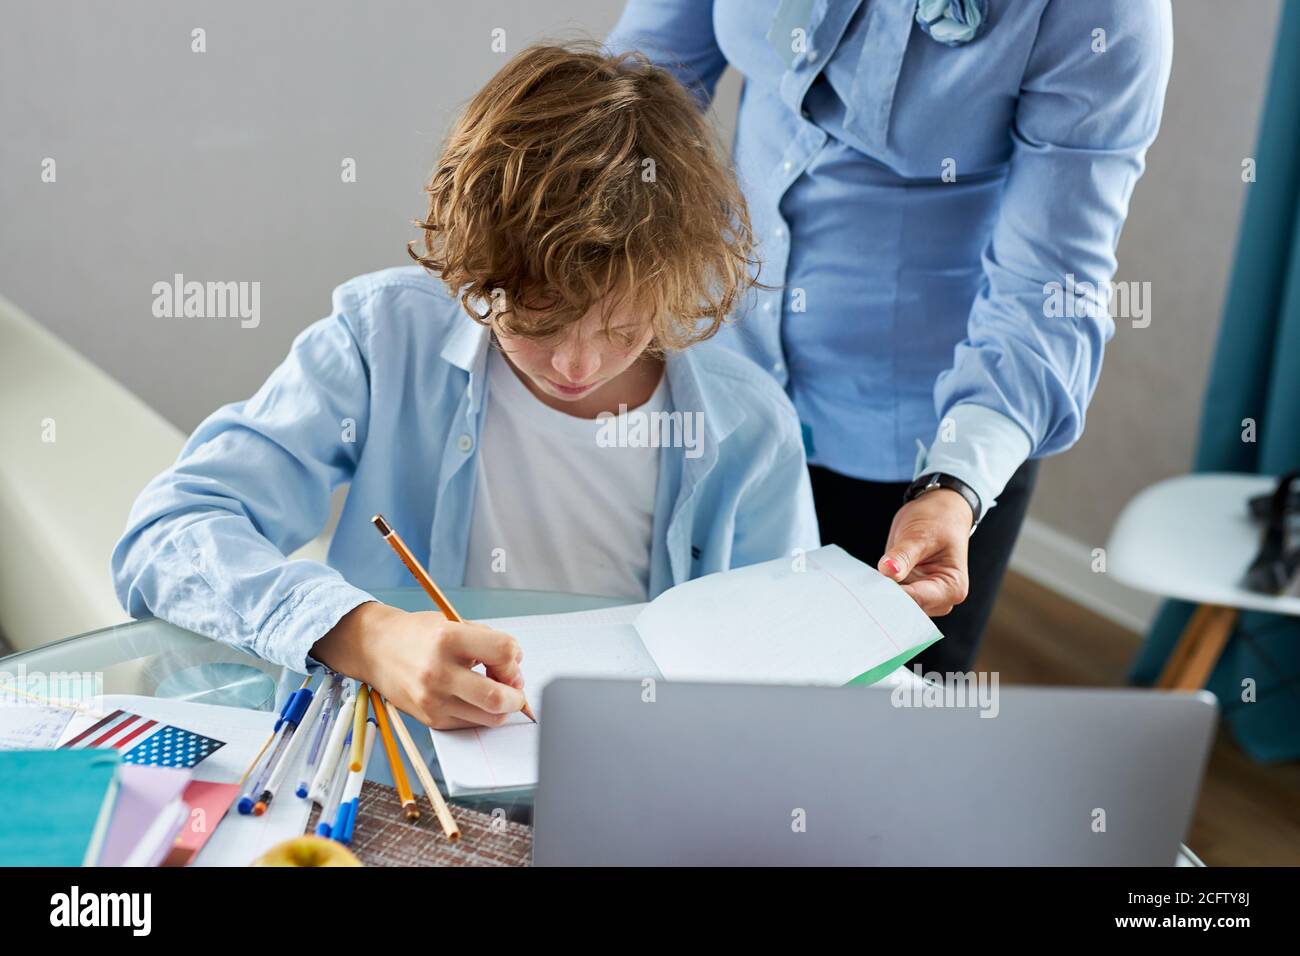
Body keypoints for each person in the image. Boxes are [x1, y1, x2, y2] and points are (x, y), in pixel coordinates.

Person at [111, 44, 818, 730]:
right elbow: (167, 535)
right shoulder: (383, 339)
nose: (574, 367)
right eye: (537, 325)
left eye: (620, 331)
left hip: (639, 776)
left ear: (670, 290)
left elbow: (795, 666)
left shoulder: (749, 425)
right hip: (389, 754)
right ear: (480, 273)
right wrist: (363, 634)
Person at [607, 0, 1173, 672]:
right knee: (683, 696)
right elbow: (629, 97)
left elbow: (1050, 287)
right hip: (721, 388)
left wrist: (952, 485)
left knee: (872, 747)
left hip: (925, 447)